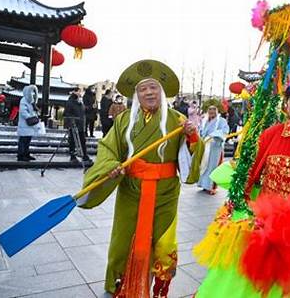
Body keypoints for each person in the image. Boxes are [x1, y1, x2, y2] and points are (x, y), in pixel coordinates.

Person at [195, 83, 290, 297]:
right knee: (250, 284)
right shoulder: (271, 135)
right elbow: (251, 171)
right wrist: (239, 202)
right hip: (266, 225)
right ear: (286, 105)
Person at [77, 60, 204, 297]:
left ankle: (158, 288)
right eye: (142, 89)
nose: (148, 92)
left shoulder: (177, 120)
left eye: (153, 87)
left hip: (165, 192)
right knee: (123, 242)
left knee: (164, 244)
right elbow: (108, 149)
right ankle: (119, 284)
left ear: (161, 91)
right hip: (131, 189)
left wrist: (192, 137)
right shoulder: (124, 120)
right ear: (136, 94)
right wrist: (111, 167)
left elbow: (191, 156)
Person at [198, 105, 229, 195]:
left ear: (217, 110)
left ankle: (212, 187)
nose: (211, 111)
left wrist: (214, 135)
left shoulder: (221, 121)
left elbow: (225, 131)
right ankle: (204, 184)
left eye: (213, 109)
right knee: (204, 165)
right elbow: (201, 132)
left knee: (214, 166)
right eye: (210, 109)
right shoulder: (205, 121)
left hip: (215, 147)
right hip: (206, 146)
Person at [63, 87, 91, 163]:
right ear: (75, 92)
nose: (80, 93)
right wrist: (71, 123)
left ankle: (84, 155)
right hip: (74, 125)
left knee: (82, 140)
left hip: (81, 125)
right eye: (79, 91)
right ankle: (73, 156)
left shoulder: (80, 101)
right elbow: (67, 113)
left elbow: (82, 111)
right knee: (72, 140)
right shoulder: (71, 101)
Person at [17, 85, 41, 161]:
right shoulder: (23, 100)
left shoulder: (31, 102)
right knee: (23, 140)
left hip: (30, 124)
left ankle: (26, 154)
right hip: (25, 124)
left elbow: (33, 111)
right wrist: (30, 117)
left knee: (27, 140)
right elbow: (23, 112)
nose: (33, 94)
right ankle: (21, 155)